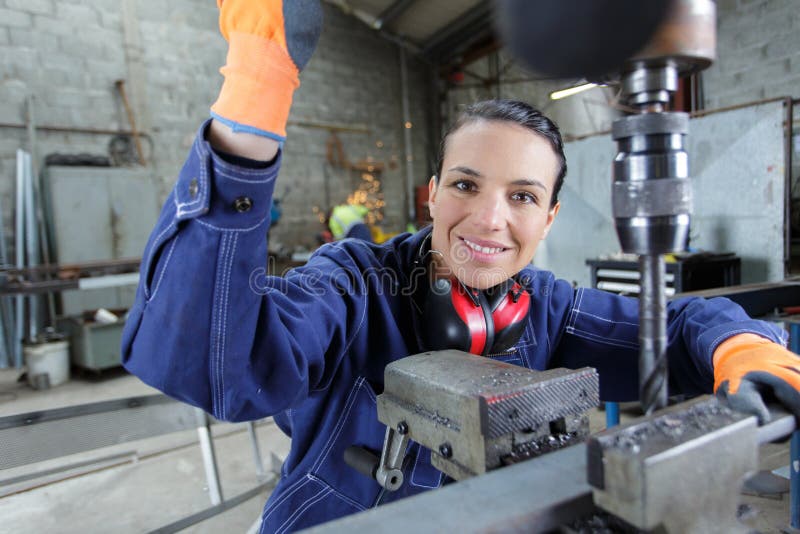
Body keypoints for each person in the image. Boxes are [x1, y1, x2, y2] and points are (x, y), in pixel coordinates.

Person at [122, 1, 800, 531]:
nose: (488, 220)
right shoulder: (355, 286)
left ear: (550, 219)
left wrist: (749, 348)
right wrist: (256, 87)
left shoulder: (549, 309)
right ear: (432, 192)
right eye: (466, 185)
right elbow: (212, 363)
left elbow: (681, 326)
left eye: (524, 197)